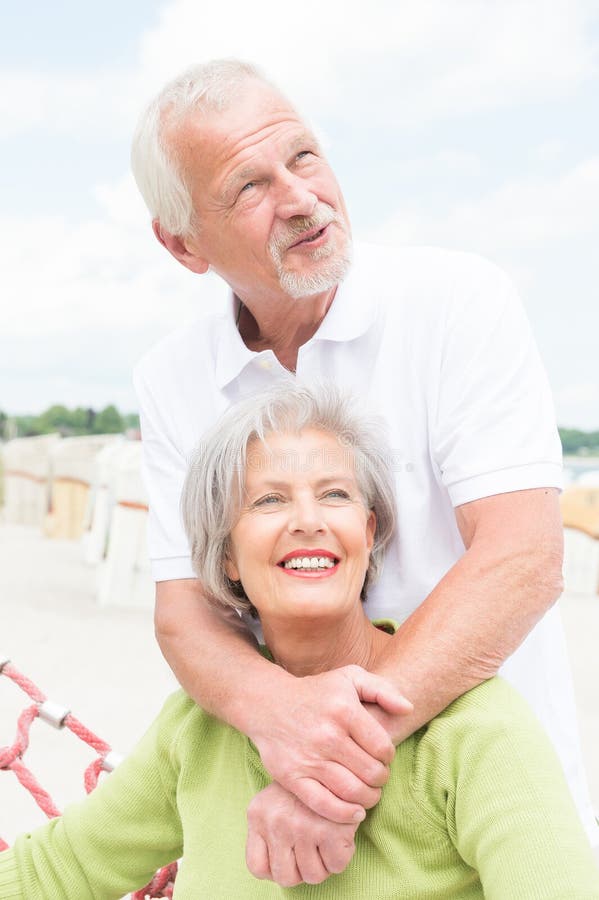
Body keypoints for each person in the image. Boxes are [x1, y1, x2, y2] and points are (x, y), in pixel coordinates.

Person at [130, 59, 597, 882]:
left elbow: (521, 557)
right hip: (289, 841)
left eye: (304, 157)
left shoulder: (458, 300)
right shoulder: (170, 377)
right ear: (182, 244)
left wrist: (329, 762)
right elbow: (186, 616)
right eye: (248, 186)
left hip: (488, 813)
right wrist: (282, 725)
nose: (301, 197)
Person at [1, 384, 598, 898]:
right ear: (226, 556)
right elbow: (63, 868)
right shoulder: (199, 726)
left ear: (368, 534)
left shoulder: (475, 728)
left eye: (335, 494)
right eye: (269, 500)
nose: (308, 519)